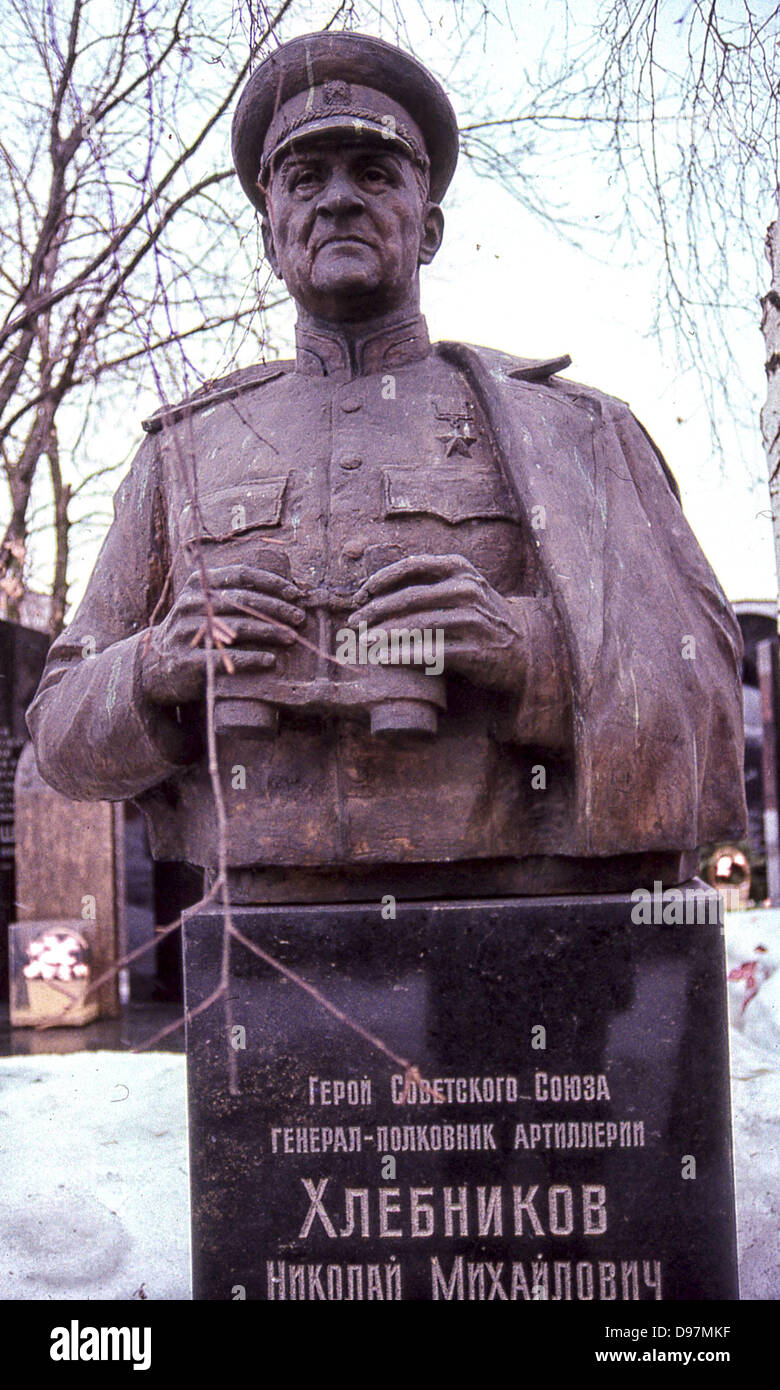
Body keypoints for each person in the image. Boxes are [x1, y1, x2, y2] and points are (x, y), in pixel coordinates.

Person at [28, 31, 746, 901]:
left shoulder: (576, 434)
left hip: (534, 904)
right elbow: (59, 737)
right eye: (306, 178)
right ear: (271, 236)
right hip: (271, 923)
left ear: (430, 227)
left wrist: (527, 651)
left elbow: (702, 684)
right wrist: (152, 670)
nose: (337, 201)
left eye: (373, 174)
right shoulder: (184, 451)